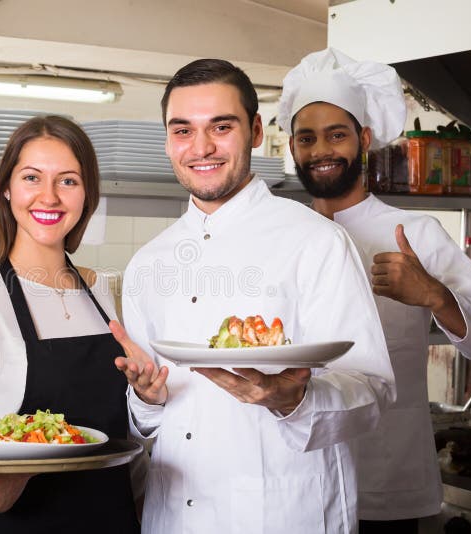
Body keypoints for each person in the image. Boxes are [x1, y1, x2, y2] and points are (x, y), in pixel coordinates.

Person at [111, 58, 397, 533]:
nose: (201, 147)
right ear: (166, 140)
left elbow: (373, 389)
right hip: (173, 515)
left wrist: (293, 399)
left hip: (284, 514)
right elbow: (150, 414)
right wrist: (145, 399)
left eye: (221, 127)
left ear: (257, 131)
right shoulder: (149, 263)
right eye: (182, 130)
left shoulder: (315, 241)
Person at [278, 47, 471, 534]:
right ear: (293, 147)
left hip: (385, 482)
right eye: (306, 138)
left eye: (336, 134)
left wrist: (434, 295)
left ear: (363, 139)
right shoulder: (279, 235)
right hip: (295, 480)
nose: (321, 150)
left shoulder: (417, 233)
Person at [0, 115, 141, 533]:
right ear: (7, 189)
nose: (49, 197)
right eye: (32, 177)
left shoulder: (108, 294)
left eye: (68, 181)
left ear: (88, 195)